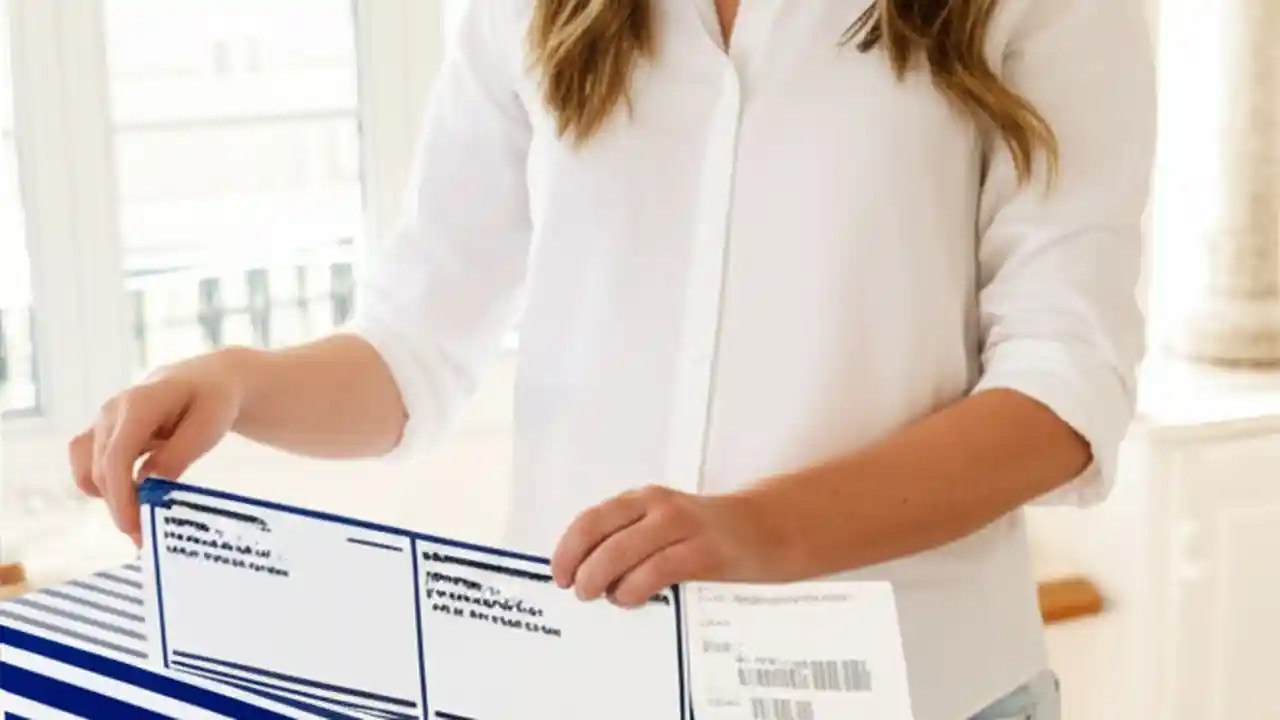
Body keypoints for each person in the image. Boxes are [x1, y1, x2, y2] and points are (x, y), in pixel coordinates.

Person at [68, 0, 1154, 717]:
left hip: (923, 689)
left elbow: (1060, 387)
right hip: (573, 681)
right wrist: (239, 386)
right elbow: (410, 351)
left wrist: (751, 530)